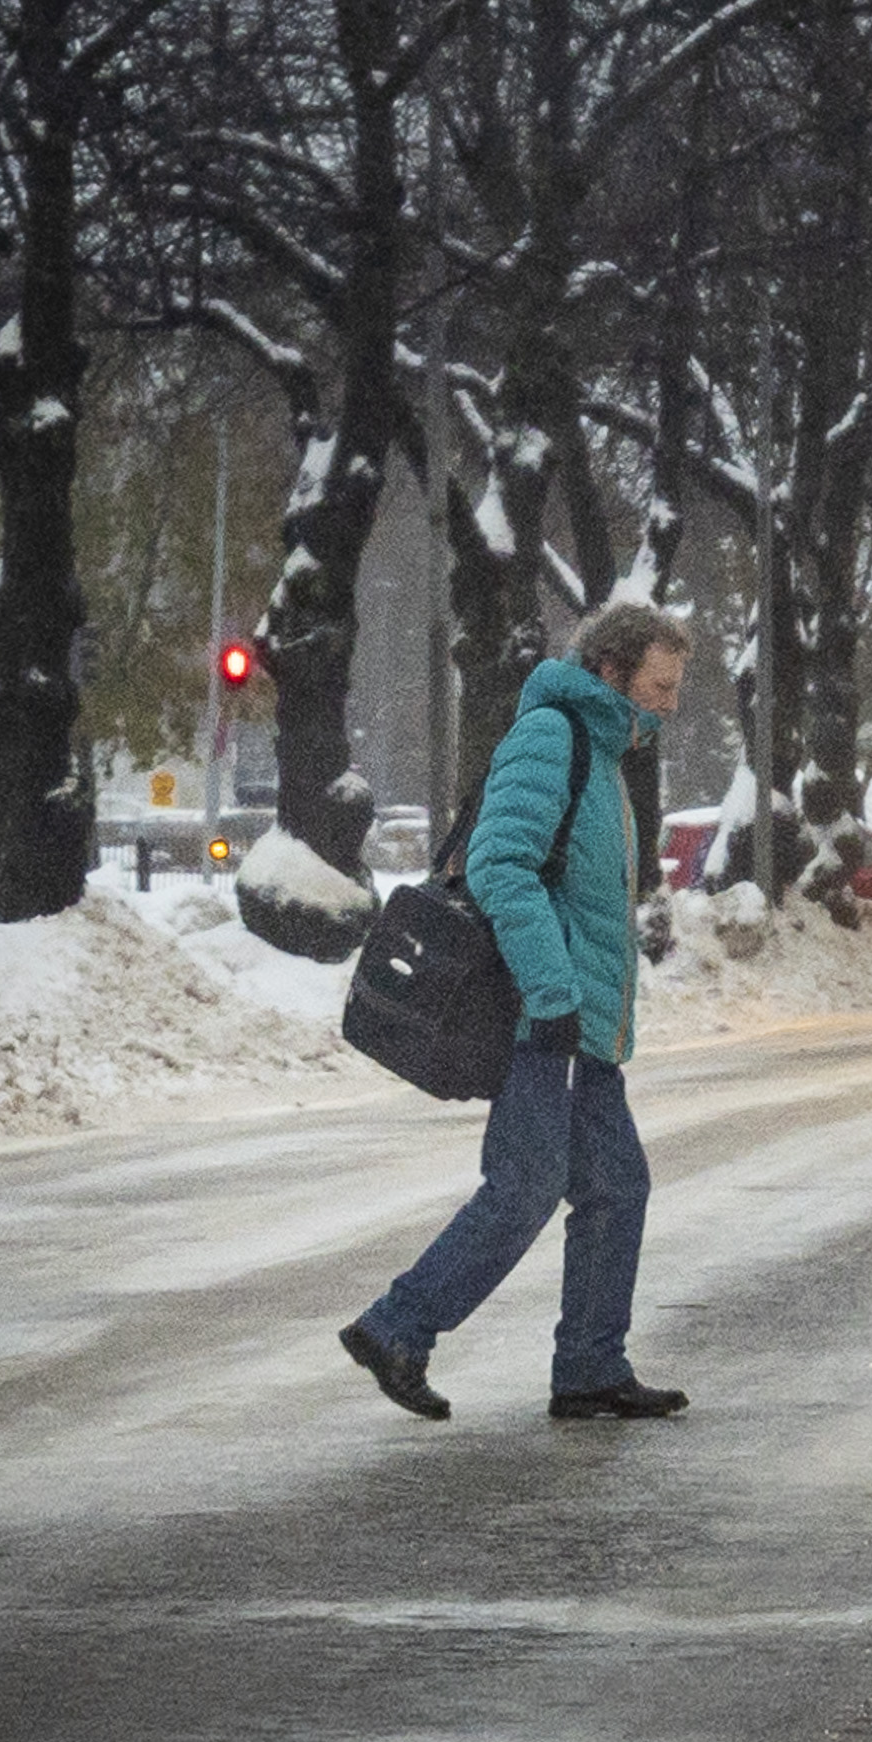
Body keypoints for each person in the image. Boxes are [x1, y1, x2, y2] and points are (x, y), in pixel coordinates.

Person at [341, 602, 696, 1423]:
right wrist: (553, 990)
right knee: (526, 1184)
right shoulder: (553, 737)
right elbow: (501, 865)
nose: (670, 703)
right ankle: (397, 1326)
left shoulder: (600, 751)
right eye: (659, 685)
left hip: (581, 1024)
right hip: (551, 1016)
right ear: (610, 670)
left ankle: (590, 1366)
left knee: (616, 1187)